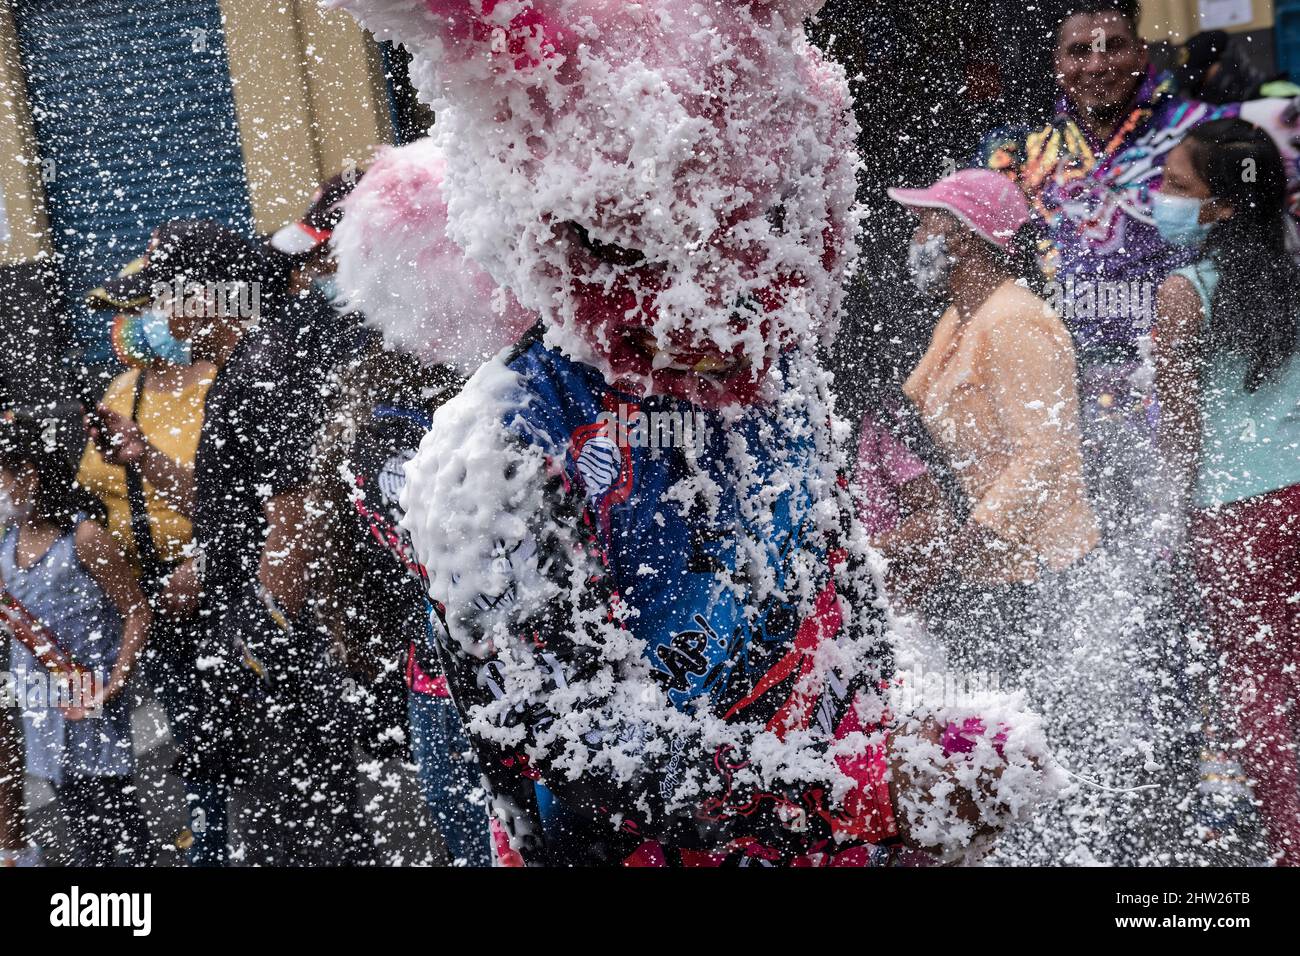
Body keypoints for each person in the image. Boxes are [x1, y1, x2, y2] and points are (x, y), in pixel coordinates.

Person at [88, 219, 368, 865]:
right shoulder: (246, 368)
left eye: (168, 296)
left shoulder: (259, 374)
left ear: (207, 298)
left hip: (277, 669)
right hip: (270, 660)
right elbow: (235, 510)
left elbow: (291, 521)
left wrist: (250, 652)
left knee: (306, 841)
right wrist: (145, 459)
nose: (159, 314)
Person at [874, 169, 1099, 683]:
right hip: (986, 564)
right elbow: (914, 414)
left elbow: (1045, 450)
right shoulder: (959, 318)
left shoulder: (1016, 322)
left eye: (926, 223)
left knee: (1029, 725)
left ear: (965, 235)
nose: (915, 239)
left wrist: (965, 540)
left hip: (1038, 569)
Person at [1152, 118, 1300, 867]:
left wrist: (1170, 517)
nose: (1161, 199)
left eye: (1178, 187)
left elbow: (1179, 432)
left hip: (1238, 510)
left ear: (1224, 207)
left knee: (1257, 677)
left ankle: (1291, 846)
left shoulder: (1182, 295)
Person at [0, 413, 152, 866]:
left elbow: (136, 611)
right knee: (83, 821)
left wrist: (117, 681)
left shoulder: (83, 538)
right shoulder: (7, 547)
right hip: (43, 711)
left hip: (90, 705)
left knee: (112, 827)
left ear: (27, 474)